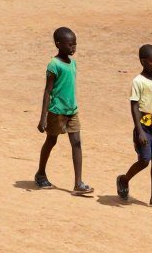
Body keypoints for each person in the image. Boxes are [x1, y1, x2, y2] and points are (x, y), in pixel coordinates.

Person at [35, 26, 93, 195]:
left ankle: (78, 183)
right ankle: (40, 173)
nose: (73, 48)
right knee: (51, 141)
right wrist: (43, 117)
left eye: (75, 44)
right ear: (58, 44)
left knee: (77, 143)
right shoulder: (54, 65)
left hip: (72, 111)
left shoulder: (73, 63)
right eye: (70, 44)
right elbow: (48, 91)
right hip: (56, 111)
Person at [116, 44, 152, 209]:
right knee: (144, 160)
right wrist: (139, 131)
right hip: (144, 128)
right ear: (143, 62)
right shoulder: (138, 81)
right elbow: (134, 107)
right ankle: (124, 179)